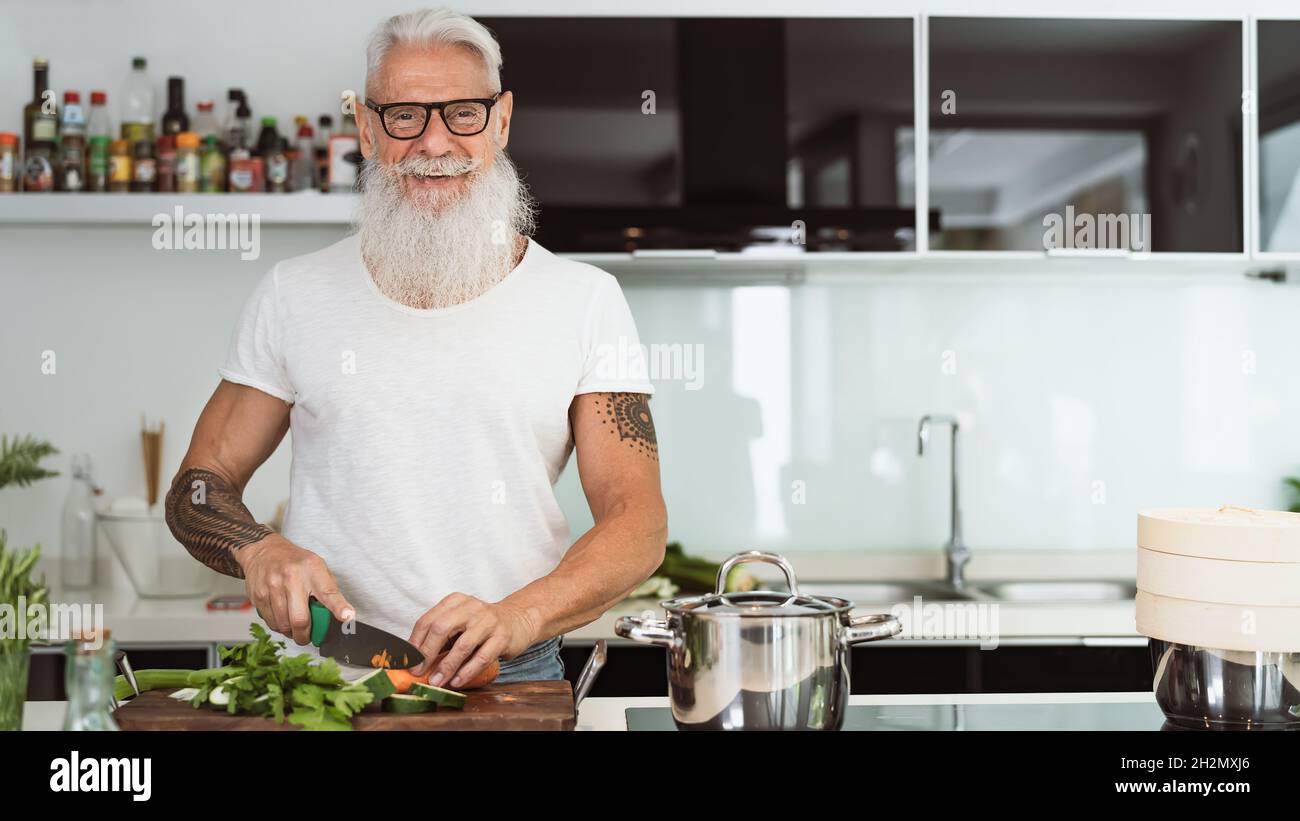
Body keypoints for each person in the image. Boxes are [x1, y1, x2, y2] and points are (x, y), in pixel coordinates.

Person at [165, 7, 667, 690]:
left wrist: (519, 615)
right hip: (324, 676)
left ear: (502, 121)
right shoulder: (293, 294)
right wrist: (259, 548)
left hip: (510, 673)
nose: (435, 142)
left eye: (463, 112)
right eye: (405, 116)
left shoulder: (585, 300)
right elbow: (198, 486)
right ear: (369, 129)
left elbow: (636, 523)